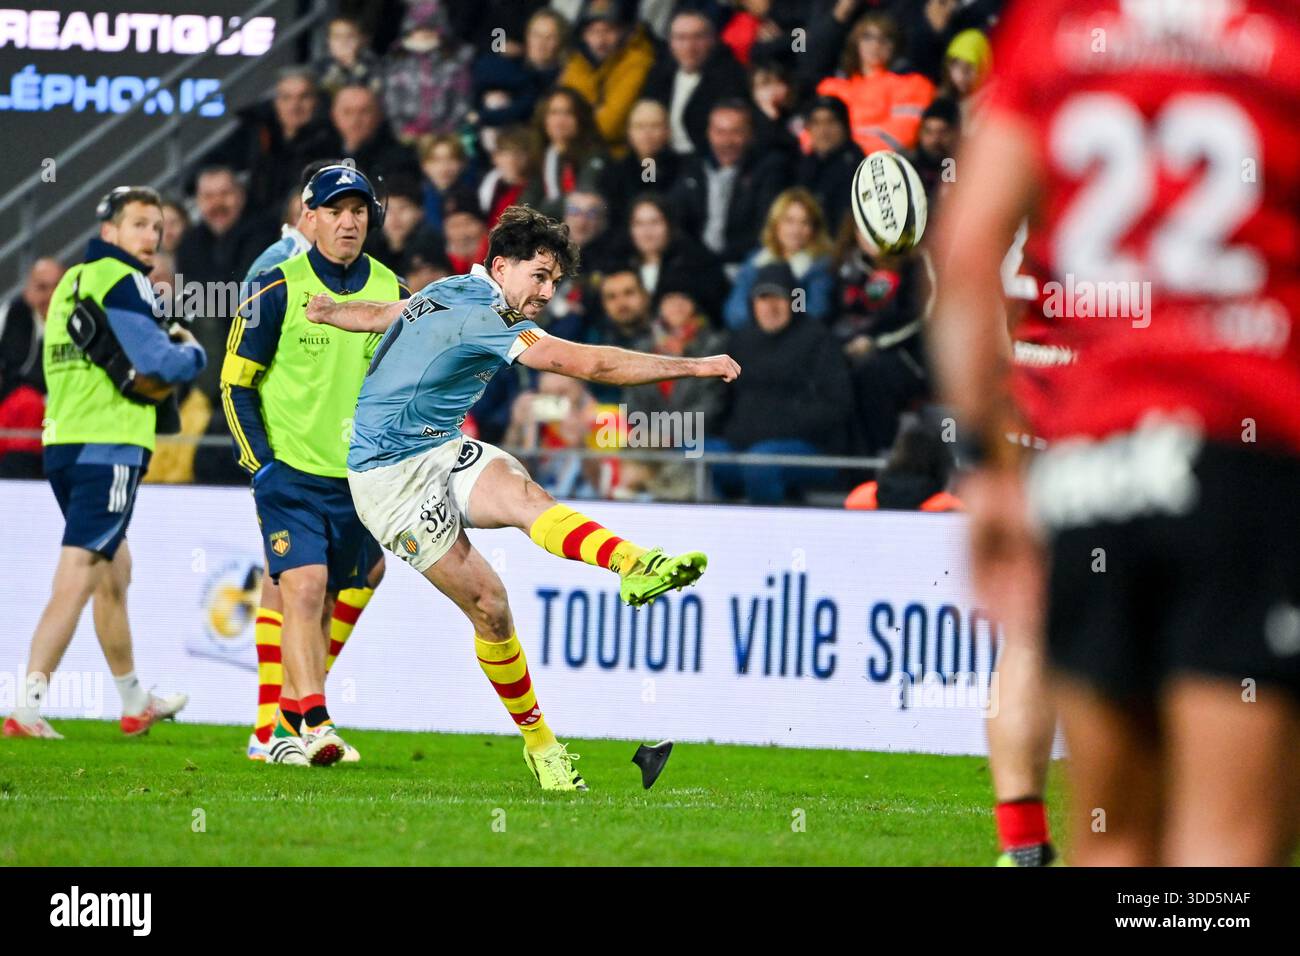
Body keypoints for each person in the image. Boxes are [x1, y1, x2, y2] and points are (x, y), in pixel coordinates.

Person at [932, 0, 1300, 867]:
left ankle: (1022, 843)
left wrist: (980, 461)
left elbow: (968, 250)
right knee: (1232, 838)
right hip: (1241, 446)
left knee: (1115, 838)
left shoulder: (1056, 27)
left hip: (1083, 448)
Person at [304, 204, 739, 790]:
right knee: (490, 606)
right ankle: (542, 746)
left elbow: (389, 313)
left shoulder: (453, 288)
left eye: (555, 281)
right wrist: (694, 364)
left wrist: (333, 312)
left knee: (522, 492)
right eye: (539, 276)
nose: (547, 291)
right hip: (387, 479)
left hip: (440, 446)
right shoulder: (485, 314)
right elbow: (590, 363)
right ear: (501, 265)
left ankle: (634, 563)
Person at [221, 165, 409, 766]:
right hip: (290, 474)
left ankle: (284, 721)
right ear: (311, 218)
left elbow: (413, 383)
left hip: (358, 479)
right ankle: (312, 723)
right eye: (335, 210)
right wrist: (263, 465)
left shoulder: (398, 295)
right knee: (302, 588)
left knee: (330, 595)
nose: (348, 221)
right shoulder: (275, 287)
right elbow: (234, 385)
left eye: (358, 211)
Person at [3, 187, 206, 739]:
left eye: (157, 227)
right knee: (77, 574)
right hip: (108, 447)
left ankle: (134, 700)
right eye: (138, 224)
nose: (150, 236)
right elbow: (158, 359)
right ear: (109, 232)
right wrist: (193, 350)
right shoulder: (125, 280)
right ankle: (26, 706)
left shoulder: (71, 280)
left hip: (63, 445)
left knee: (115, 569)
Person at [709, 261, 852, 504]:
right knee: (696, 453)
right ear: (753, 303)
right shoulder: (740, 340)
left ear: (794, 301)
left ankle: (765, 537)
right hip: (743, 446)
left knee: (760, 463)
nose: (770, 307)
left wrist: (772, 428)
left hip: (812, 448)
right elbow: (723, 400)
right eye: (763, 298)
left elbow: (837, 406)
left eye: (779, 298)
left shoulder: (818, 340)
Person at [723, 187, 837, 330]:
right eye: (789, 221)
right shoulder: (756, 261)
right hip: (752, 339)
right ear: (776, 224)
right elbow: (734, 312)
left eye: (805, 222)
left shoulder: (817, 268)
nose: (796, 230)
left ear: (814, 229)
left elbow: (812, 312)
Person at [556, 0, 655, 158]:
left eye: (608, 31)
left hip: (620, 158)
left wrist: (570, 125)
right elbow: (556, 117)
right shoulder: (577, 62)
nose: (599, 41)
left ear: (626, 32)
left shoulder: (638, 61)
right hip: (577, 151)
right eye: (592, 32)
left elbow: (608, 127)